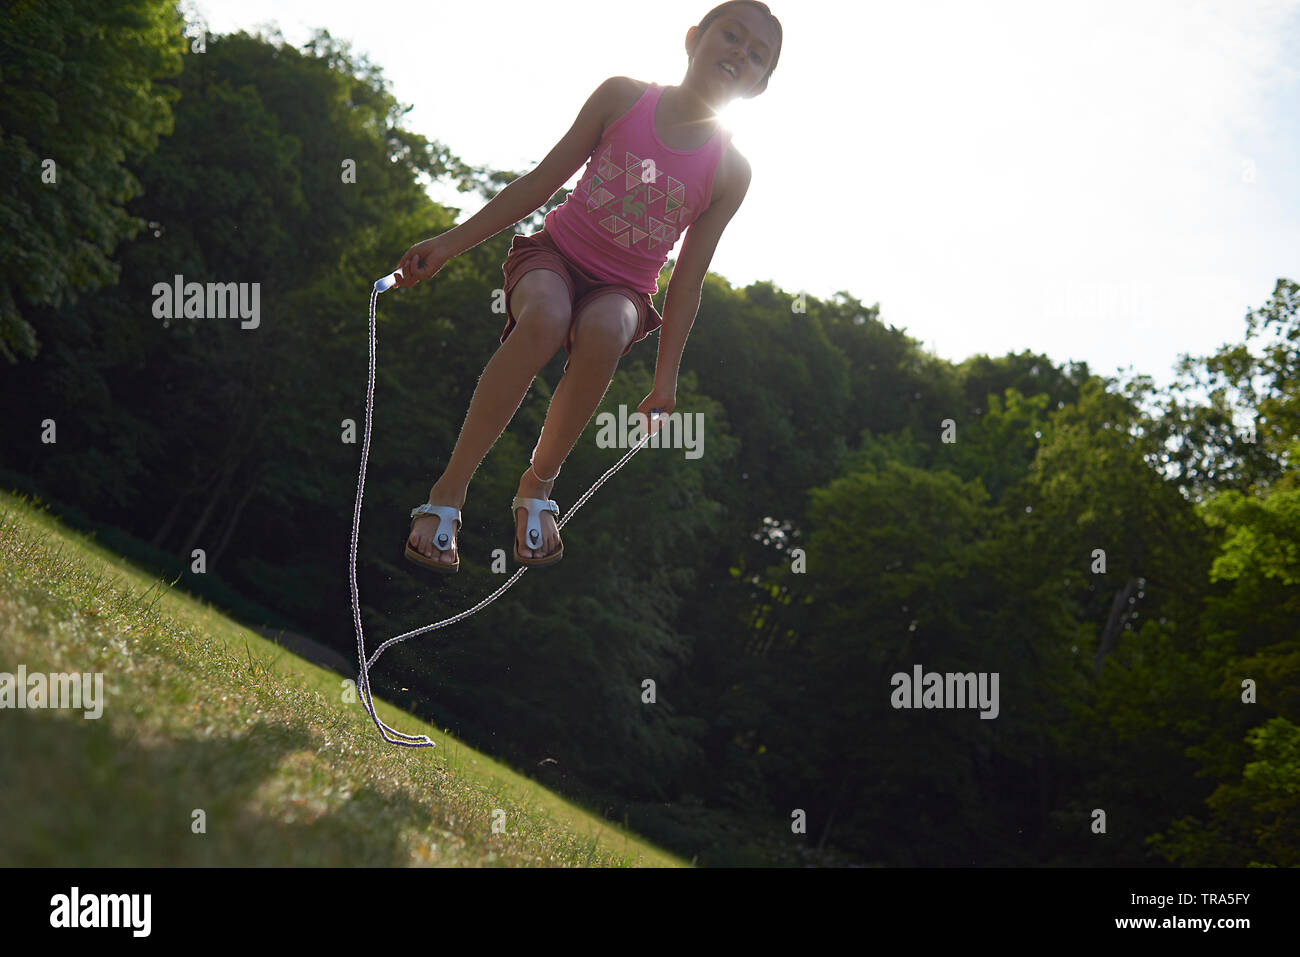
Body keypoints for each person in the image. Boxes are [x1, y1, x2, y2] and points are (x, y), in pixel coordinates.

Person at [398, 1, 782, 572]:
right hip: (553, 258)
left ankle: (537, 486)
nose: (740, 54)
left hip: (623, 292)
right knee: (546, 319)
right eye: (731, 35)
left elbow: (688, 281)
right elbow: (540, 182)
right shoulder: (623, 97)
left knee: (606, 329)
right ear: (694, 38)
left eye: (757, 56)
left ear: (760, 85)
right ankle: (448, 493)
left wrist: (665, 382)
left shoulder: (731, 170)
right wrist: (449, 244)